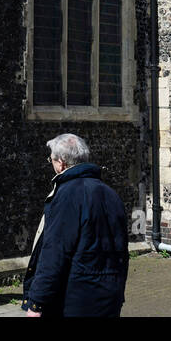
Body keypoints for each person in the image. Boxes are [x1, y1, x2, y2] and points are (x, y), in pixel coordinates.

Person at [22, 133, 128, 317]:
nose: (52, 164)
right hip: (109, 296)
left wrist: (36, 302)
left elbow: (55, 252)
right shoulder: (111, 193)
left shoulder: (67, 194)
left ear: (61, 162)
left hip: (75, 300)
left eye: (51, 159)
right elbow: (121, 250)